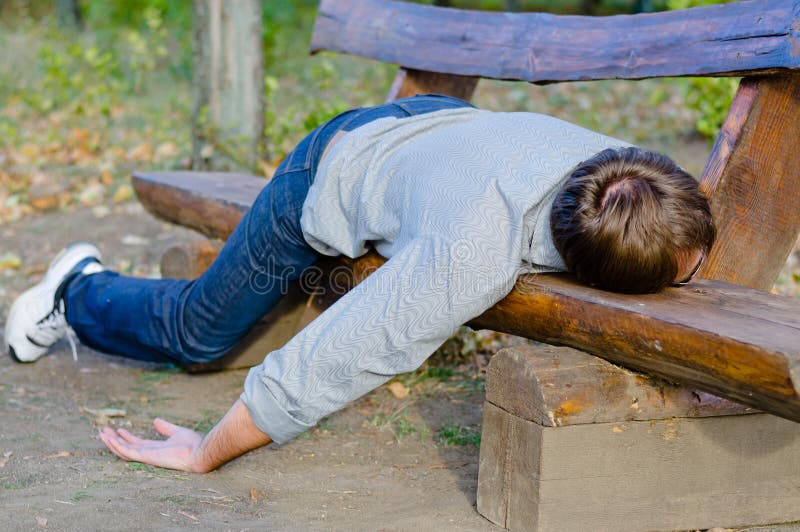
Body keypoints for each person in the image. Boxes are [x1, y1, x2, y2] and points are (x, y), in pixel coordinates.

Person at [3, 94, 715, 472]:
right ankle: (76, 288)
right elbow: (332, 361)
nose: (699, 274)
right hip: (332, 166)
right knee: (200, 337)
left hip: (435, 130)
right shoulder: (471, 253)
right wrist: (204, 452)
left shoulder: (623, 178)